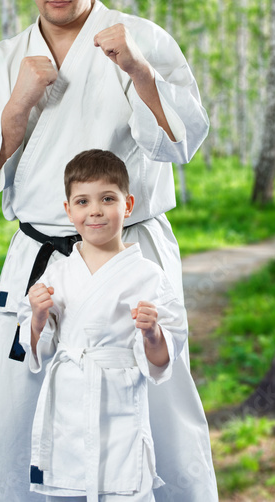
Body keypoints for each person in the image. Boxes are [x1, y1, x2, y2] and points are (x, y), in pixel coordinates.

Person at [0, 0, 217, 501]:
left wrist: (139, 71)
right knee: (23, 399)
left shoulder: (138, 37)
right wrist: (20, 99)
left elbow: (181, 143)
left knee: (156, 394)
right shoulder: (5, 60)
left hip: (129, 250)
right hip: (43, 255)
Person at [18, 149, 189, 501]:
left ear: (127, 205)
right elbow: (36, 346)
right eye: (82, 201)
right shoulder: (58, 271)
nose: (94, 210)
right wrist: (36, 317)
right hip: (67, 405)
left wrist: (153, 333)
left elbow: (162, 359)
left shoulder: (149, 276)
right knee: (67, 489)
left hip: (119, 405)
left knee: (126, 487)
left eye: (107, 199)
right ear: (69, 211)